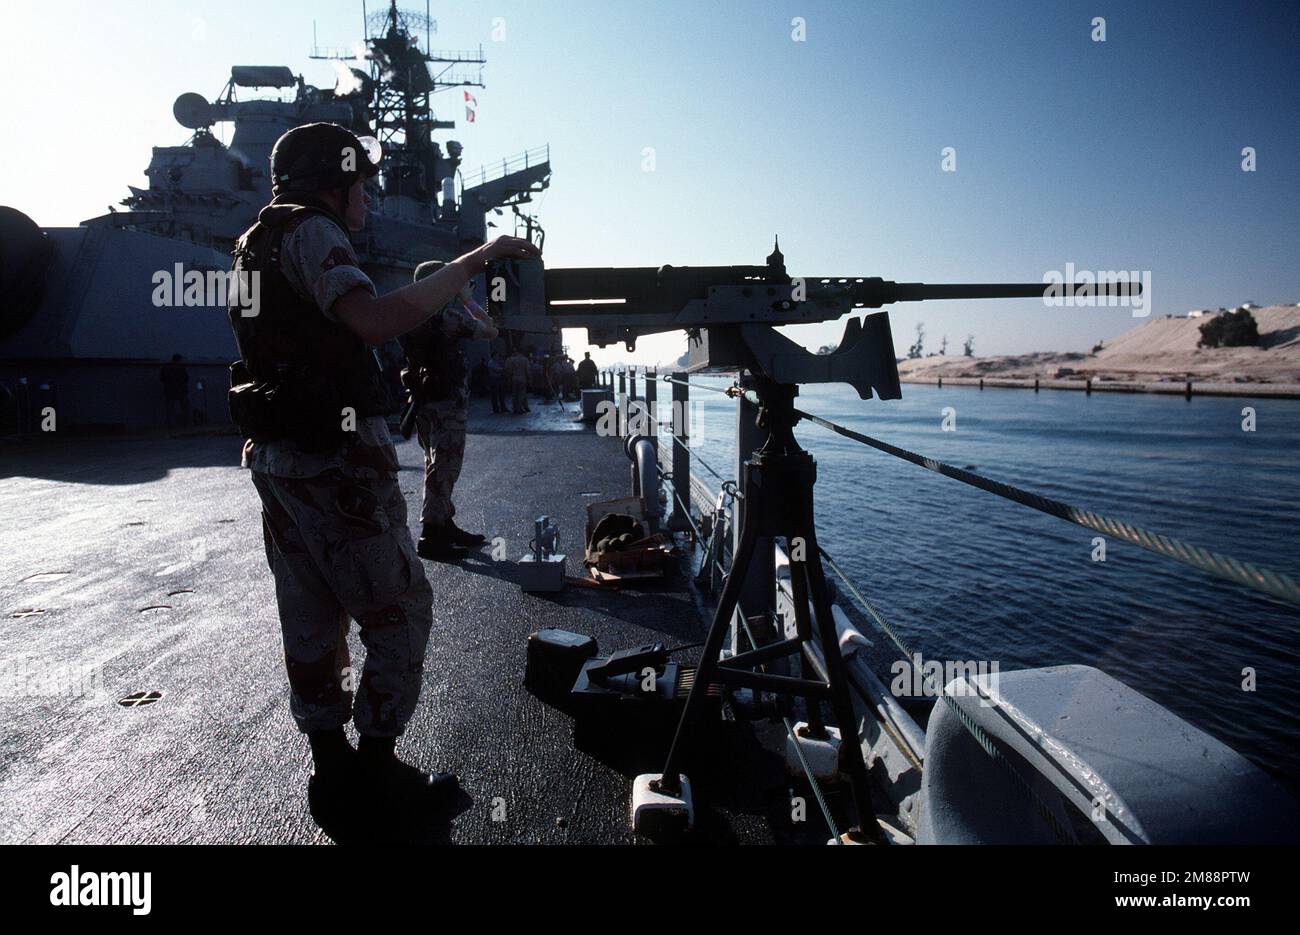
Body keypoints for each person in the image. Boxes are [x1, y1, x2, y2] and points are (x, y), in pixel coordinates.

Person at [225, 121, 540, 813]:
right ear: (333, 186)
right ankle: (376, 764)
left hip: (279, 459)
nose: (369, 197)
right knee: (399, 611)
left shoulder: (252, 244)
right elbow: (370, 320)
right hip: (337, 466)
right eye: (362, 184)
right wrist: (474, 260)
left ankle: (331, 768)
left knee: (310, 616)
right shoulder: (314, 232)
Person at [400, 262, 498, 561]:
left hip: (423, 403)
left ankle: (444, 523)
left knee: (434, 462)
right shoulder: (448, 318)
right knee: (445, 467)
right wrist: (467, 299)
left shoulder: (408, 316)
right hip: (447, 404)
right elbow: (491, 330)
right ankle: (432, 534)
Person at [160, 354, 189, 427]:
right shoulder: (181, 367)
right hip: (180, 390)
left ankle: (171, 424)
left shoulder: (166, 367)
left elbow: (162, 378)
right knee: (184, 408)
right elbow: (186, 378)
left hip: (170, 390)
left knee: (170, 409)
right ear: (179, 360)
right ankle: (186, 423)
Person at [504, 348, 530, 413]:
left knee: (514, 394)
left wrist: (509, 379)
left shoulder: (513, 360)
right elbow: (527, 371)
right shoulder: (525, 360)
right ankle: (519, 408)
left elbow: (510, 370)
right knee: (521, 393)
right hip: (522, 378)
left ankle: (514, 407)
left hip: (514, 378)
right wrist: (529, 379)